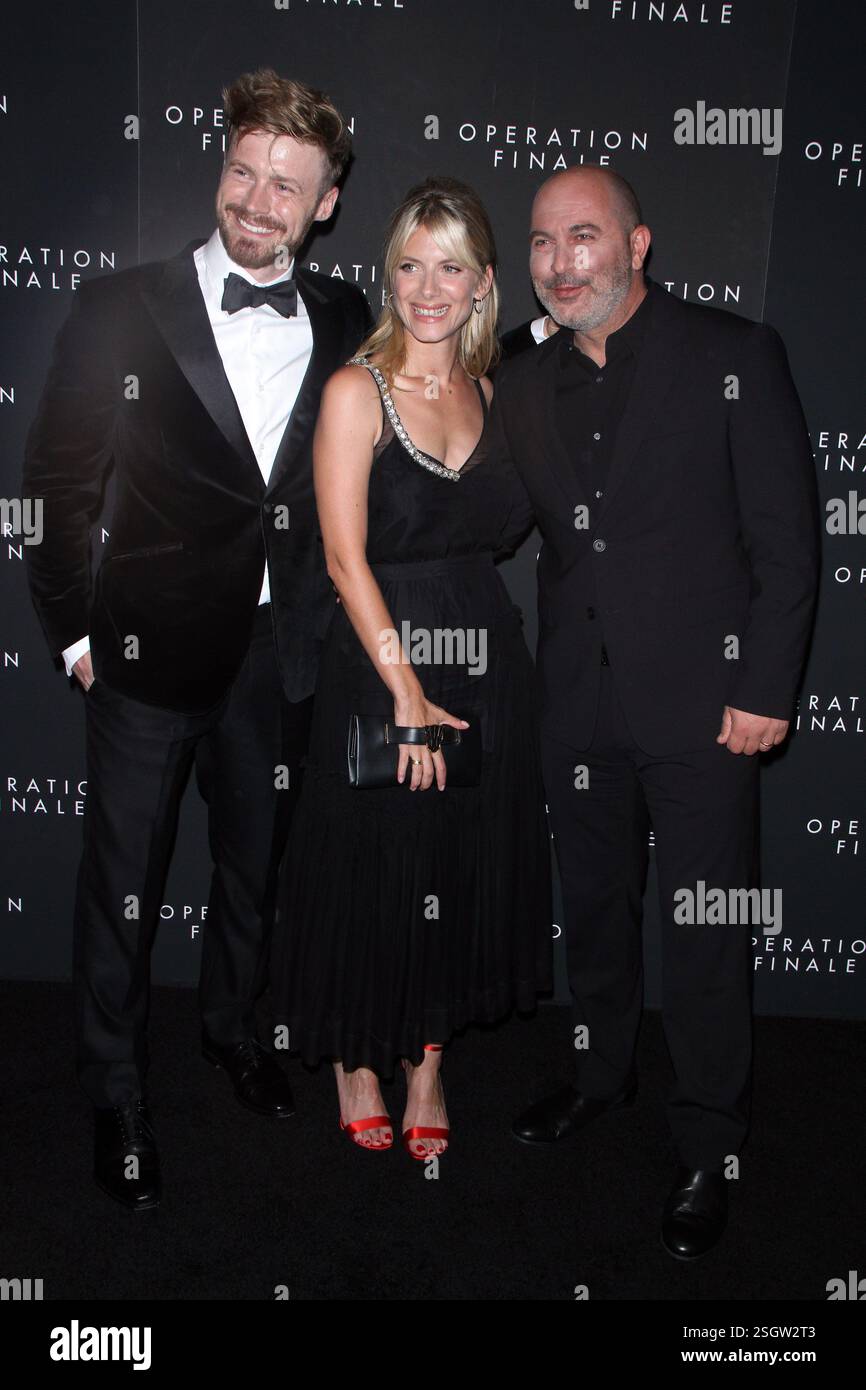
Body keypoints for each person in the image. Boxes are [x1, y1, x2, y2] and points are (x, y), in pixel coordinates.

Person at [21, 69, 370, 1211]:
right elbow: (56, 479)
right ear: (220, 170)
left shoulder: (342, 316)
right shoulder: (125, 302)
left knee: (251, 873)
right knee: (123, 884)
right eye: (243, 172)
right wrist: (76, 632)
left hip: (279, 658)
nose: (257, 201)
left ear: (323, 205)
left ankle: (232, 1032)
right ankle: (115, 1089)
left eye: (286, 185)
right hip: (144, 652)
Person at [492, 165, 819, 1256]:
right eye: (539, 243)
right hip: (576, 709)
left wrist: (763, 689)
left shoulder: (732, 354)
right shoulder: (524, 381)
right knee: (591, 914)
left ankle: (705, 1143)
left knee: (704, 938)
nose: (558, 261)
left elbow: (784, 542)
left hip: (703, 713)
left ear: (637, 245)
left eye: (581, 237)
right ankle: (597, 1073)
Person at [270, 176, 552, 1158]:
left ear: (482, 283)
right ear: (386, 274)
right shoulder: (358, 389)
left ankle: (426, 1062)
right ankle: (356, 1053)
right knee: (373, 861)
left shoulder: (492, 393)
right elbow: (343, 557)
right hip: (379, 652)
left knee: (455, 861)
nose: (428, 286)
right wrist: (405, 693)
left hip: (481, 653)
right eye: (409, 263)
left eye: (451, 266)